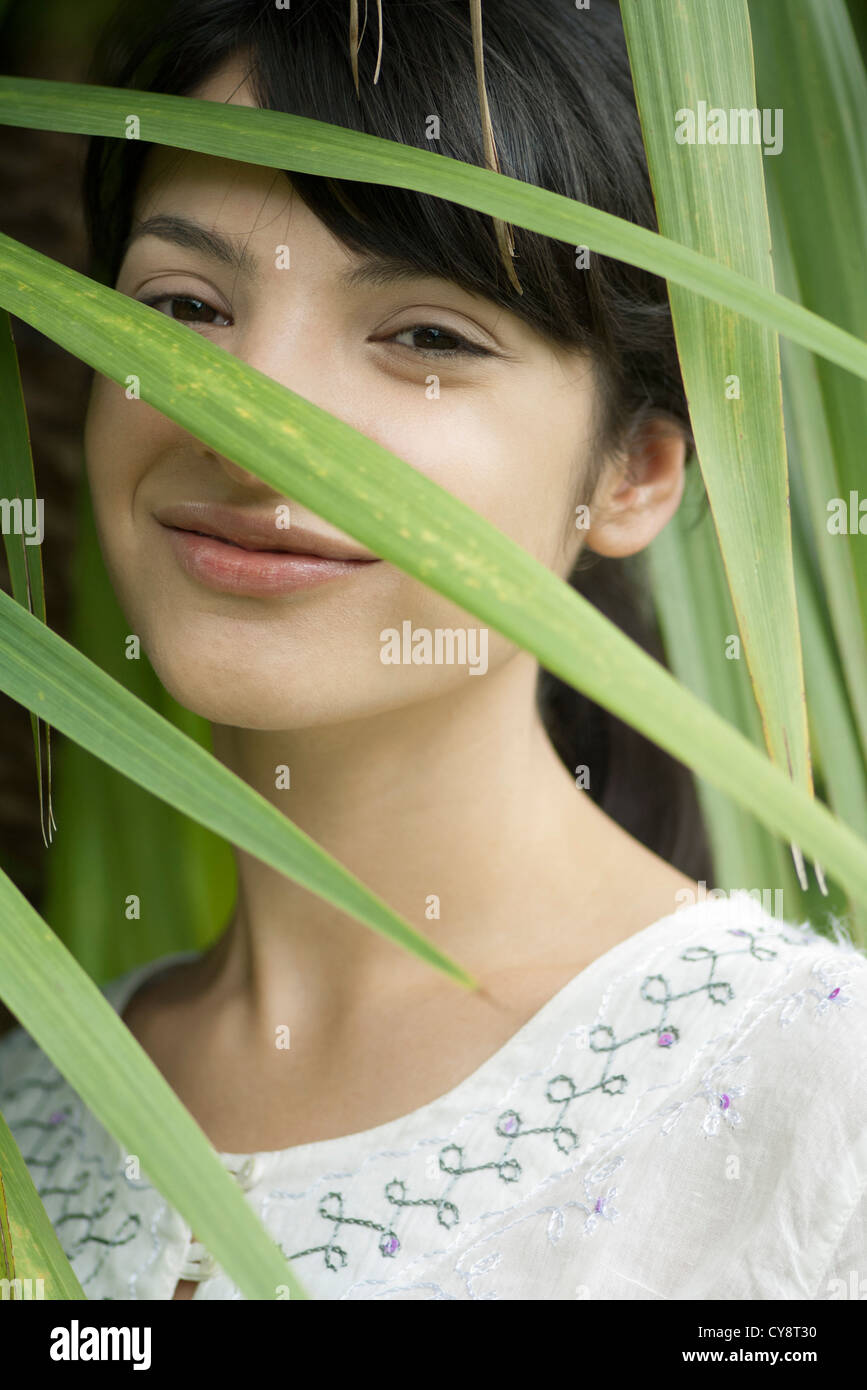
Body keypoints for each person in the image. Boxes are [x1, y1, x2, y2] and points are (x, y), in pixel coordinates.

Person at [1, 0, 865, 1302]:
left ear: (634, 472)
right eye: (181, 306)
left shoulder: (822, 1115)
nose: (247, 432)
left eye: (424, 336)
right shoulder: (30, 1097)